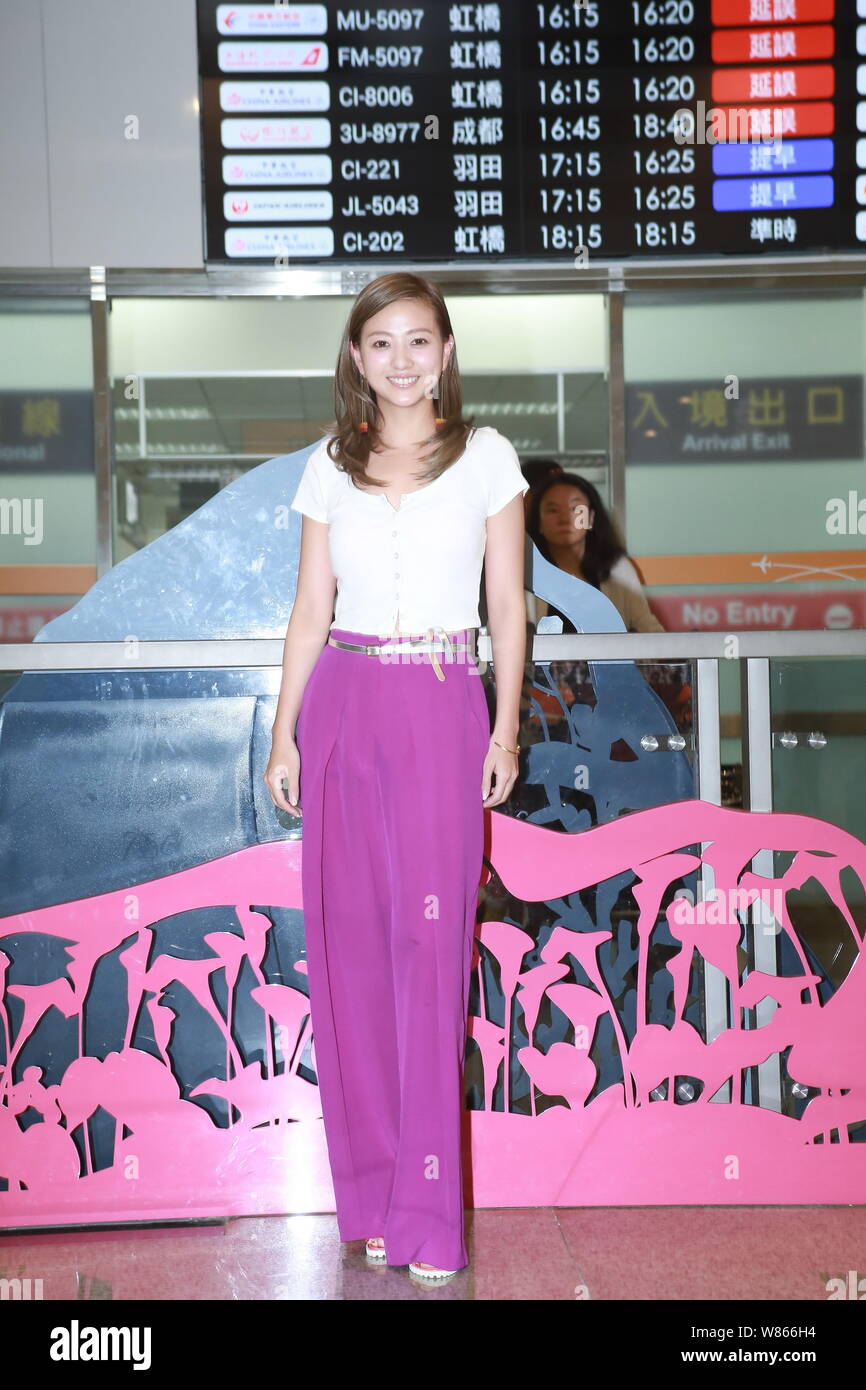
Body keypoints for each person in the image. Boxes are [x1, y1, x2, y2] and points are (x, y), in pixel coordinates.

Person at [263, 272, 529, 1281]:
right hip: (343, 701)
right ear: (356, 359)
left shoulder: (488, 460)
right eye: (381, 343)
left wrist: (502, 731)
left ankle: (428, 1220)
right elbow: (306, 612)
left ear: (447, 354)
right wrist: (286, 734)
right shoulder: (328, 467)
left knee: (432, 949)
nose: (402, 360)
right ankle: (370, 1202)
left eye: (420, 341)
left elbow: (508, 609)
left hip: (439, 702)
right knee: (350, 956)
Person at [525, 470, 664, 633]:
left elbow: (647, 627)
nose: (565, 519)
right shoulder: (525, 572)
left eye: (576, 508)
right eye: (553, 510)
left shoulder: (616, 567)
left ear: (591, 518)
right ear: (539, 522)